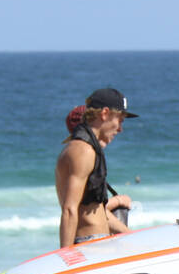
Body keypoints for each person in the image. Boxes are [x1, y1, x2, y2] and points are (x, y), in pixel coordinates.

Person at [54, 87, 137, 247]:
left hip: (98, 242)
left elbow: (94, 211)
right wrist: (65, 257)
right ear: (105, 113)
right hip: (89, 245)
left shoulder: (88, 148)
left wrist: (132, 237)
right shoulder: (82, 150)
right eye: (119, 120)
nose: (120, 129)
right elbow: (69, 210)